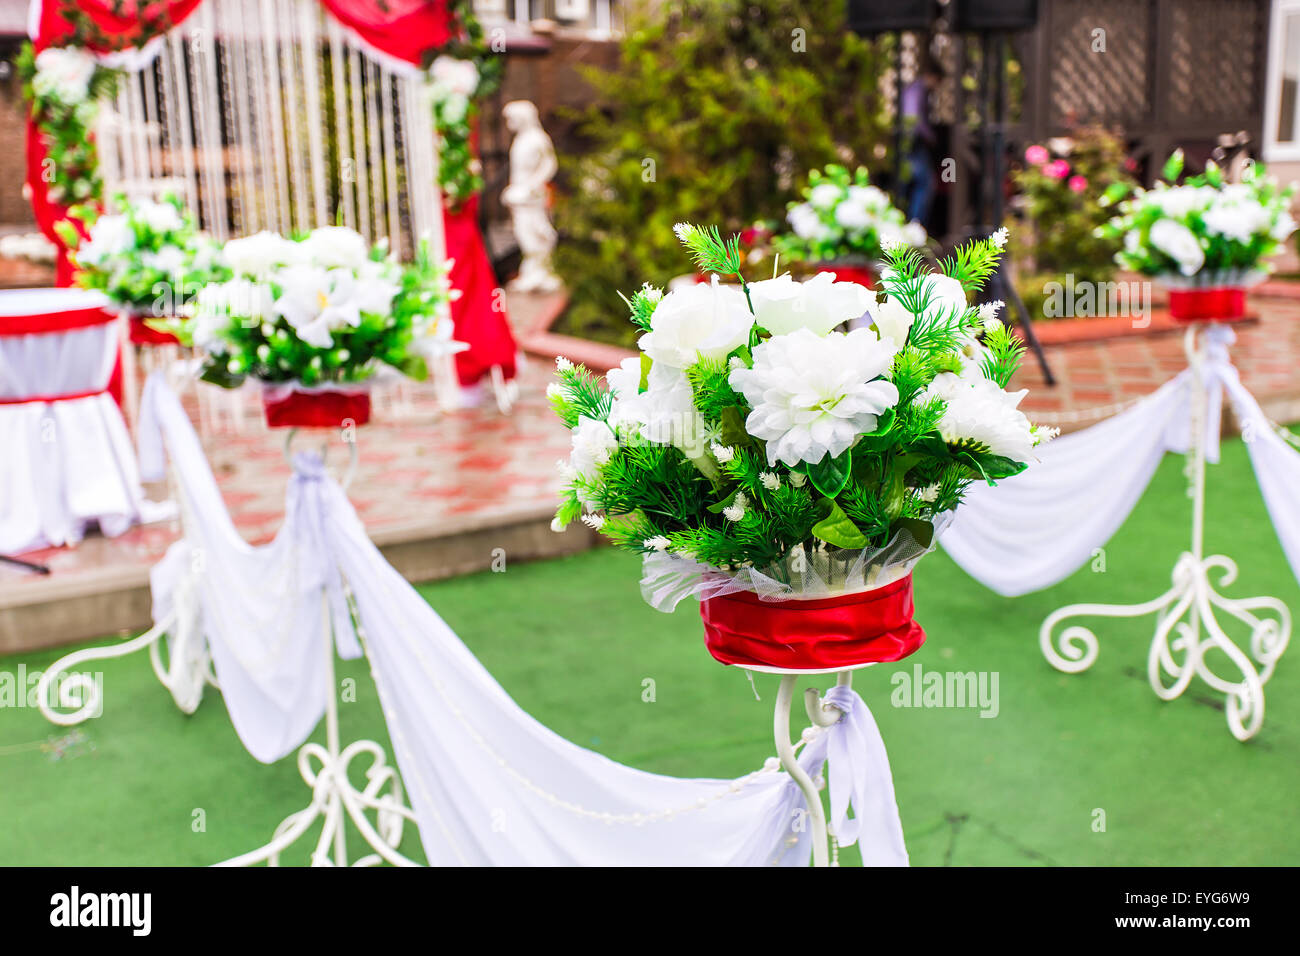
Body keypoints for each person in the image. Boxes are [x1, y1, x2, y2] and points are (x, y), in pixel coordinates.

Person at [900, 61, 943, 227]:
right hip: (912, 143)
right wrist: (931, 137)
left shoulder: (914, 89)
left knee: (909, 183)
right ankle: (914, 226)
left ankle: (908, 224)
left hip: (910, 142)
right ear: (932, 77)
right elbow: (913, 119)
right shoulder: (917, 90)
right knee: (924, 183)